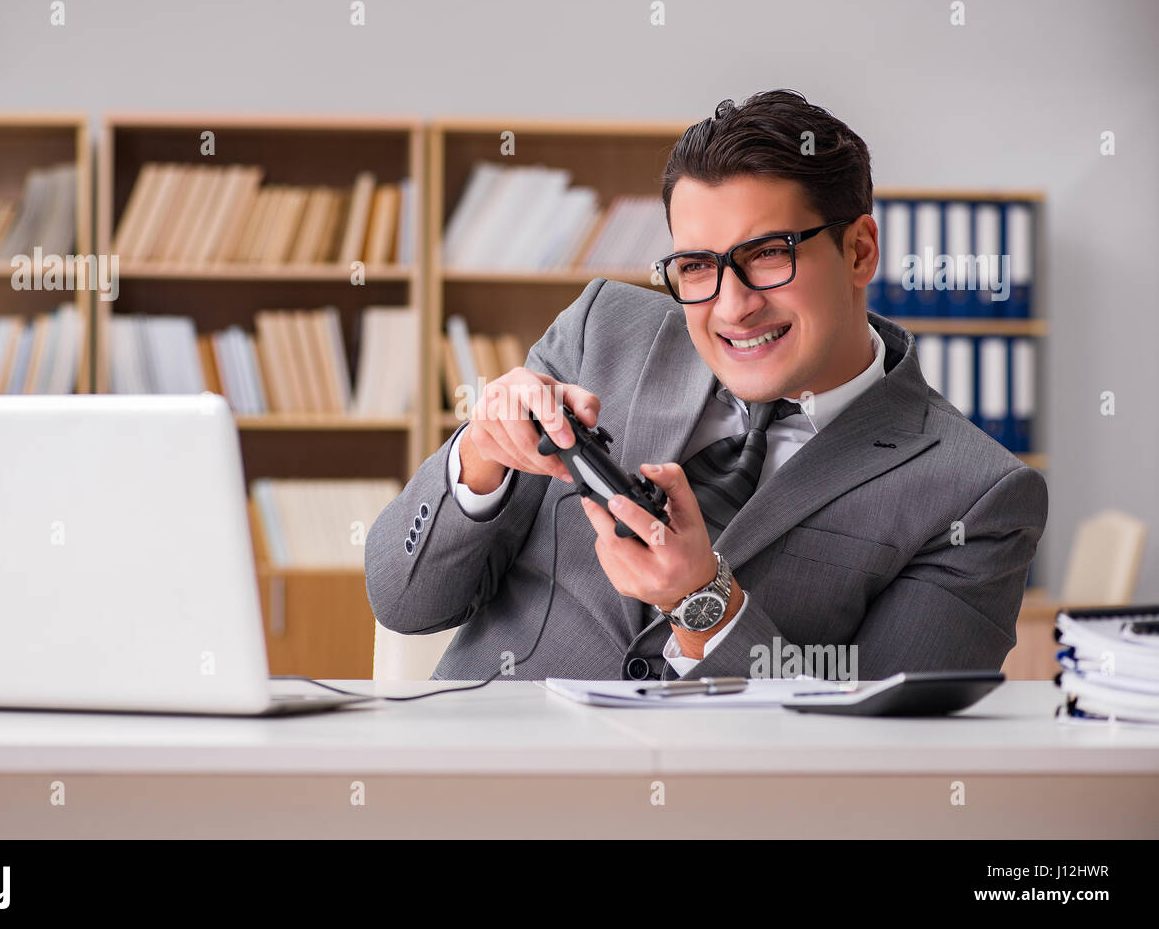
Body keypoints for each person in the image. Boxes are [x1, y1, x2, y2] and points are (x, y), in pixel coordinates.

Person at [365, 89, 1048, 682]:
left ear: (860, 250)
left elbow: (880, 759)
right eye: (697, 266)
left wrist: (705, 604)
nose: (732, 306)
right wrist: (479, 460)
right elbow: (403, 602)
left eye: (767, 255)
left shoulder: (979, 493)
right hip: (483, 785)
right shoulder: (603, 331)